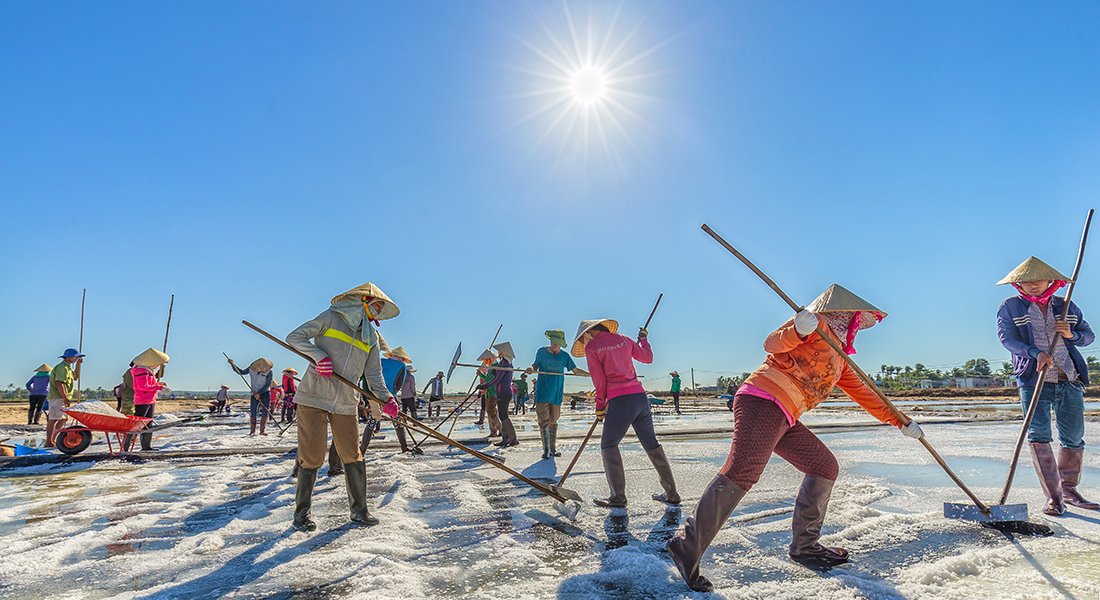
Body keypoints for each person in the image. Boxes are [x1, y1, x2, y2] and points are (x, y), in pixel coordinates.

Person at [667, 285, 923, 592]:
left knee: (823, 466)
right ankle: (686, 546)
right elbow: (772, 343)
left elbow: (865, 394)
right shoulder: (816, 324)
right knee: (742, 471)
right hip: (762, 398)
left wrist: (901, 421)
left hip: (785, 414)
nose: (854, 325)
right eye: (853, 317)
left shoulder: (841, 358)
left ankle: (806, 546)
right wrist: (799, 331)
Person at [285, 281, 400, 531]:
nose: (378, 312)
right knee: (312, 456)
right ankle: (301, 515)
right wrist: (319, 357)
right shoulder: (331, 318)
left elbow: (374, 374)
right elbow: (294, 337)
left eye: (381, 309)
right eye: (377, 306)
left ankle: (359, 511)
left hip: (346, 401)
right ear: (363, 301)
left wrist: (386, 398)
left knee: (352, 454)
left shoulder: (371, 337)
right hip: (314, 396)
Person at [996, 256, 1098, 515]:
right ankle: (1054, 497)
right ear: (1018, 283)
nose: (1033, 284)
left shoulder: (1065, 306)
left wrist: (1070, 333)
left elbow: (1088, 336)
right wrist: (1035, 353)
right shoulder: (1011, 307)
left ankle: (1069, 491)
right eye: (1027, 280)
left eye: (1039, 280)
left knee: (1073, 436)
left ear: (1050, 281)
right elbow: (1007, 339)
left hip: (1068, 378)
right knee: (1038, 435)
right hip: (1034, 380)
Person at [574, 319, 679, 508]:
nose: (584, 342)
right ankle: (672, 493)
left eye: (583, 339)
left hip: (620, 401)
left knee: (608, 444)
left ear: (588, 333)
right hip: (640, 399)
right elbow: (647, 358)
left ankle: (618, 497)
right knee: (652, 444)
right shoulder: (624, 339)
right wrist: (644, 340)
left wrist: (600, 406)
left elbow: (600, 381)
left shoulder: (593, 348)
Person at [526, 330, 588, 459]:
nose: (555, 345)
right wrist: (531, 369)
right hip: (543, 392)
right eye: (553, 342)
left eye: (557, 343)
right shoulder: (541, 352)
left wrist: (591, 374)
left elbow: (575, 370)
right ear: (550, 341)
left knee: (553, 421)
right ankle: (546, 450)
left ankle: (553, 449)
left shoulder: (565, 356)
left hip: (556, 393)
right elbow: (535, 365)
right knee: (543, 421)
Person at [478, 342, 519, 447]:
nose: (498, 353)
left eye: (500, 352)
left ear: (504, 352)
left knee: (504, 416)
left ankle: (513, 439)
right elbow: (497, 377)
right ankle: (505, 438)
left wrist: (485, 385)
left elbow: (497, 379)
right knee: (502, 415)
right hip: (503, 393)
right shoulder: (506, 363)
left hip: (504, 393)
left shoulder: (504, 363)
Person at [128, 348, 170, 451]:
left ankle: (146, 447)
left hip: (150, 400)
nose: (158, 366)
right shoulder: (141, 371)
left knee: (148, 424)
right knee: (137, 424)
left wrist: (159, 384)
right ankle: (125, 446)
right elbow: (143, 386)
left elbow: (149, 384)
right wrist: (159, 387)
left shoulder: (147, 370)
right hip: (143, 401)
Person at [45, 348, 83, 449]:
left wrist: (78, 364)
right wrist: (65, 397)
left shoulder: (68, 368)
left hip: (62, 397)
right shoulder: (62, 367)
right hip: (57, 397)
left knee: (63, 419)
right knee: (53, 419)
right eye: (75, 357)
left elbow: (76, 377)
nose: (76, 358)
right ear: (69, 357)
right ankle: (48, 441)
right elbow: (59, 383)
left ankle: (53, 439)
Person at [228, 357, 275, 436]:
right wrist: (232, 364)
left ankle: (262, 431)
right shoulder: (251, 369)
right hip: (254, 393)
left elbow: (268, 384)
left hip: (265, 392)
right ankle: (252, 431)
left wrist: (259, 393)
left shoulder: (269, 372)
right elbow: (241, 372)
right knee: (253, 411)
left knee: (265, 411)